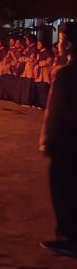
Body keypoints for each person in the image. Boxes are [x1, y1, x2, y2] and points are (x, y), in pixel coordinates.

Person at [39, 22, 77, 257]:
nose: (58, 45)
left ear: (69, 44)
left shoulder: (67, 74)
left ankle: (69, 237)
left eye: (61, 40)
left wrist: (49, 141)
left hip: (67, 144)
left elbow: (58, 112)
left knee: (64, 189)